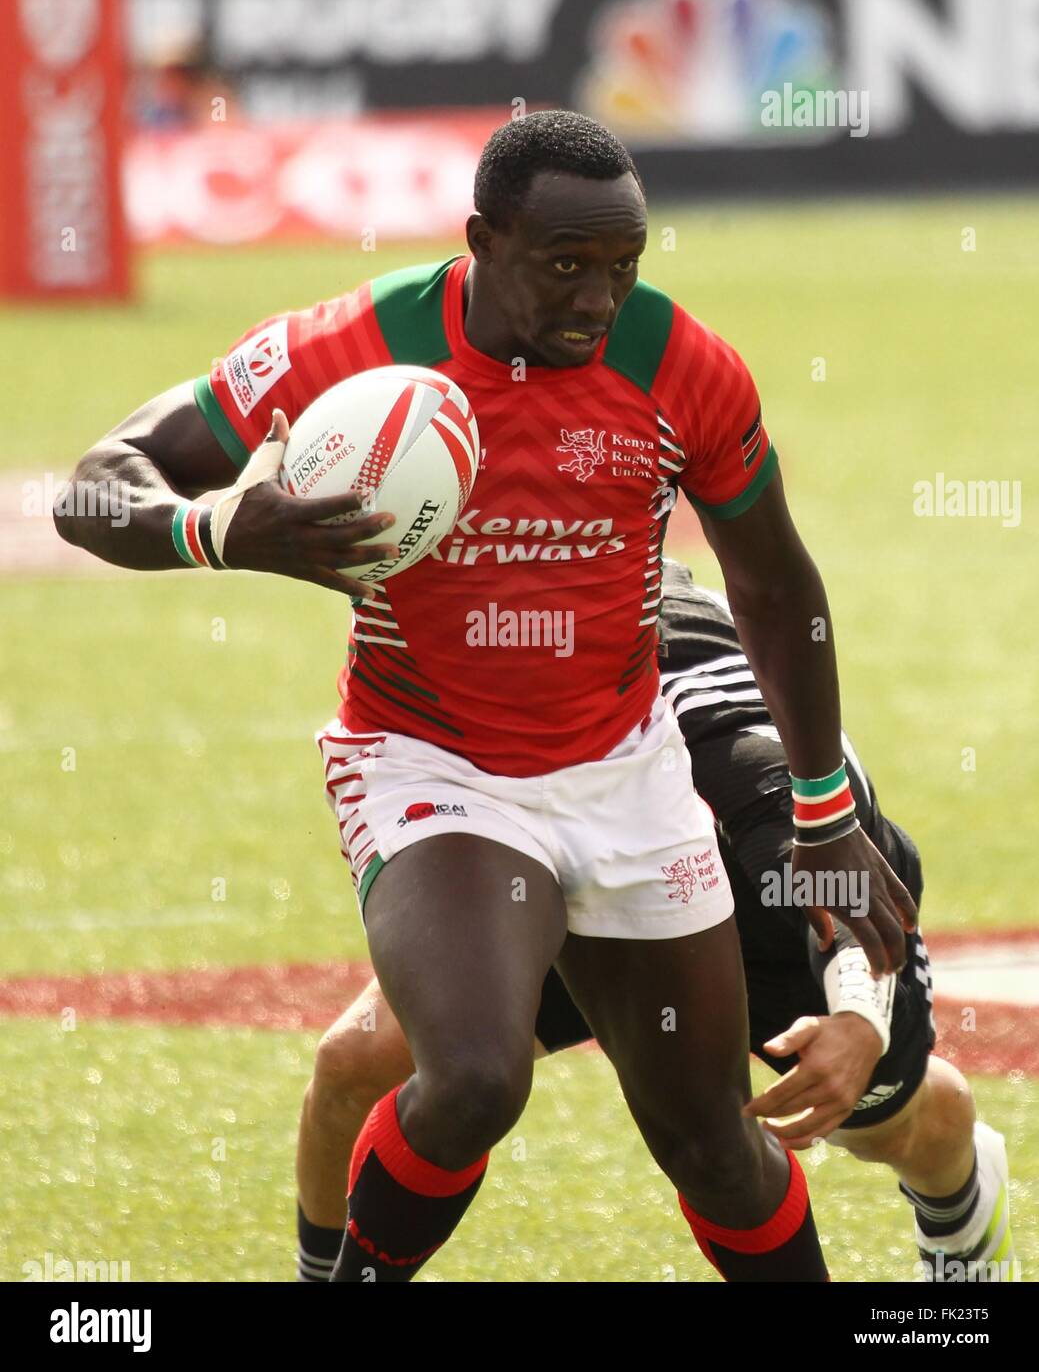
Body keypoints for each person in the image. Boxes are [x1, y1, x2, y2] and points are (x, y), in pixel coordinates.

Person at [55, 110, 915, 1283]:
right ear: (482, 240)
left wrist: (827, 811)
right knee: (472, 1075)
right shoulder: (359, 342)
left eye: (623, 267)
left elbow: (774, 582)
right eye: (565, 266)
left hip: (625, 771)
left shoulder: (682, 367)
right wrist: (211, 527)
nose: (598, 300)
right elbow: (95, 489)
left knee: (716, 1145)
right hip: (429, 762)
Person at [296, 563, 1017, 1283]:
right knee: (358, 1063)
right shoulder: (508, 667)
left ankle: (959, 1208)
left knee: (881, 1121)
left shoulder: (732, 743)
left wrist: (859, 1018)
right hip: (568, 858)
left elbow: (833, 869)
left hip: (758, 900)